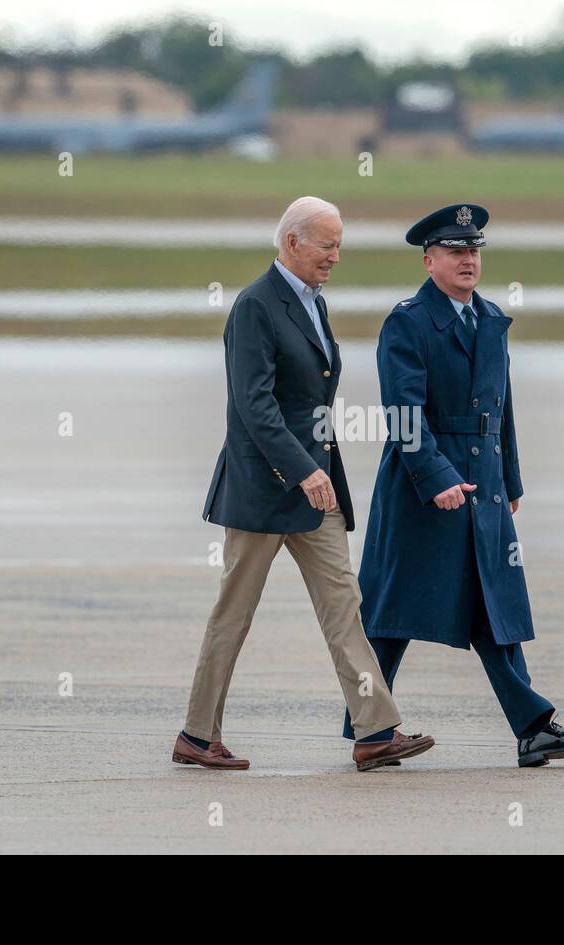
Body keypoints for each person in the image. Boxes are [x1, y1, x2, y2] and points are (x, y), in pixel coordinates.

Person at [341, 203, 564, 767]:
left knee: (496, 607)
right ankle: (370, 734)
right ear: (429, 259)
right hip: (421, 491)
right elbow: (403, 414)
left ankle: (533, 728)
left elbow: (501, 411)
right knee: (391, 614)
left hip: (483, 490)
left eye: (475, 250)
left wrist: (509, 479)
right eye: (456, 251)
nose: (468, 260)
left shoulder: (489, 319)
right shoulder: (408, 321)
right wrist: (436, 477)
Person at [174, 196, 435, 772]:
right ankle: (197, 736)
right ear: (292, 242)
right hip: (263, 490)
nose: (335, 256)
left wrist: (321, 473)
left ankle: (375, 731)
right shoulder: (255, 307)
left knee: (344, 607)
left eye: (339, 244)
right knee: (233, 616)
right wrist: (304, 469)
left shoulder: (314, 304)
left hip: (318, 492)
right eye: (326, 244)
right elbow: (254, 405)